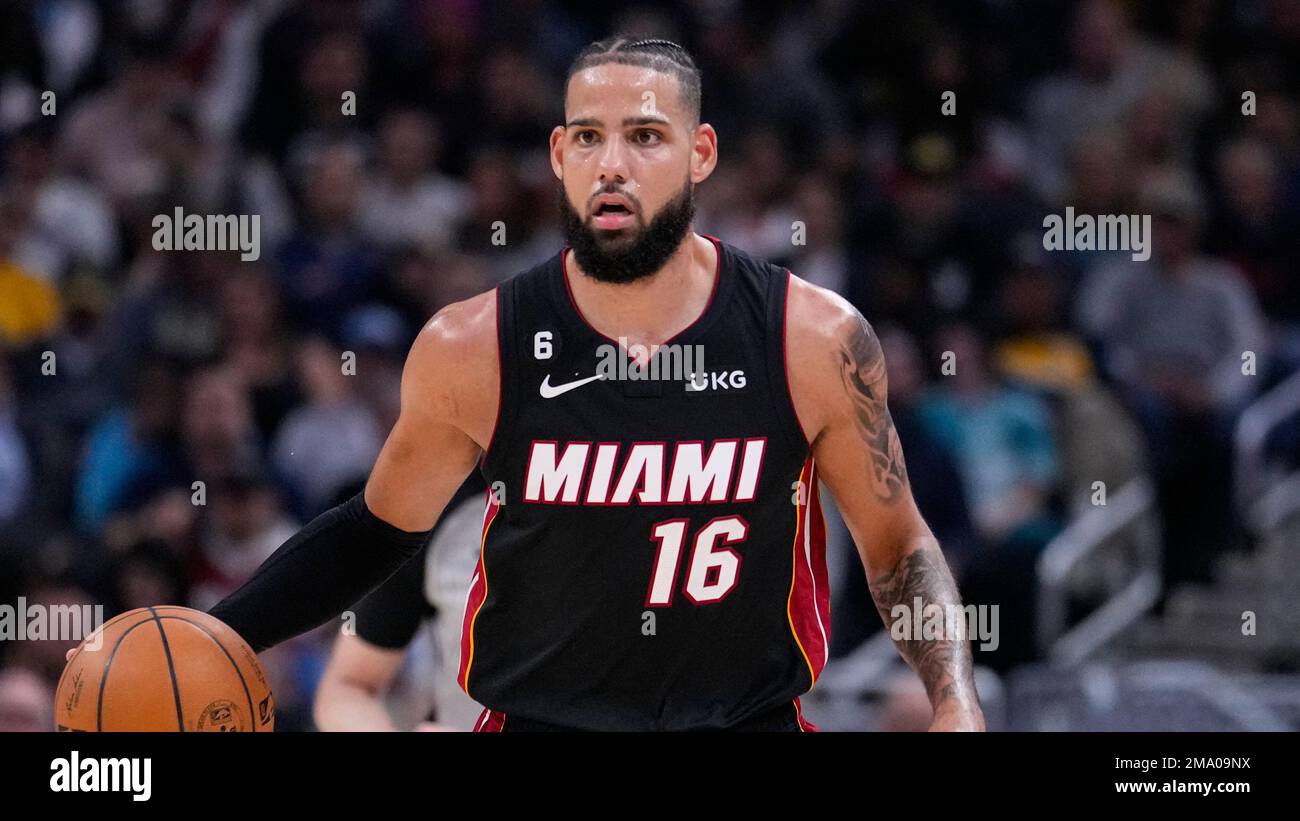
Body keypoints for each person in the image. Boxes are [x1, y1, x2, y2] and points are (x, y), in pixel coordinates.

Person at [207, 36, 984, 732]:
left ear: (701, 152)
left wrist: (954, 699)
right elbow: (373, 533)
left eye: (645, 136)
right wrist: (216, 631)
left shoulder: (811, 337)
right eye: (588, 137)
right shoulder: (471, 344)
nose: (611, 163)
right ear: (557, 154)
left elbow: (897, 545)